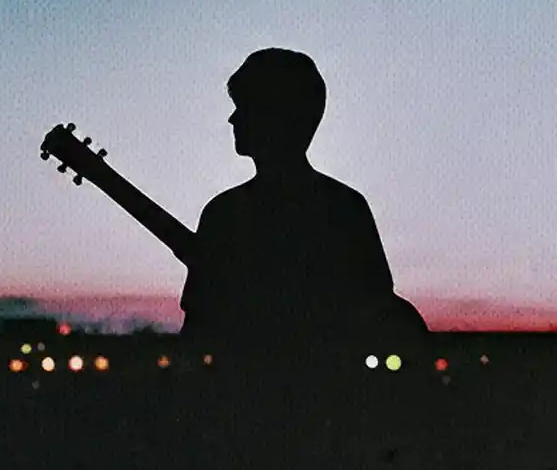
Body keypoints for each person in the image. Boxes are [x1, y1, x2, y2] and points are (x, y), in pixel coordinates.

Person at [178, 48, 426, 364]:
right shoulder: (345, 207)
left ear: (274, 116)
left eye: (244, 107)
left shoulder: (225, 214)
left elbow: (197, 333)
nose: (233, 118)